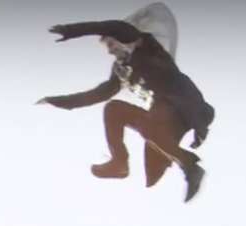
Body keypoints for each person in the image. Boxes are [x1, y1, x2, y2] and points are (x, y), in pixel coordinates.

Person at [37, 7, 214, 202]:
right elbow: (98, 94)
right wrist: (57, 101)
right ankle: (119, 162)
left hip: (182, 105)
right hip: (162, 113)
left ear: (124, 38)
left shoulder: (144, 44)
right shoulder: (122, 68)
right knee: (114, 109)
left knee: (153, 123)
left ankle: (190, 166)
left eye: (111, 44)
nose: (110, 51)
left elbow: (112, 27)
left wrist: (72, 30)